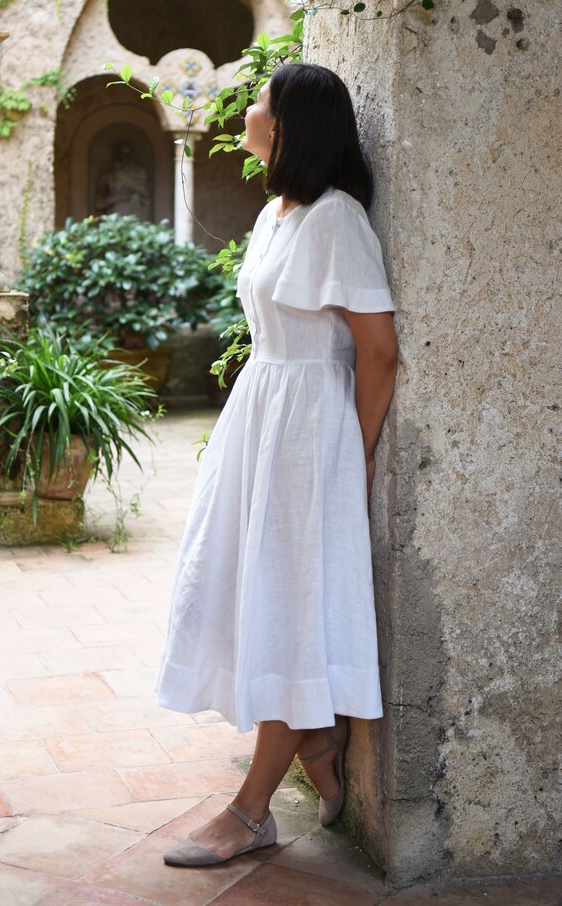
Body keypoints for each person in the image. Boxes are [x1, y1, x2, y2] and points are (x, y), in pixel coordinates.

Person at [156, 62, 399, 867]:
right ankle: (318, 738)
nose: (249, 108)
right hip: (262, 417)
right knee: (252, 592)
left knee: (294, 605)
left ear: (291, 124)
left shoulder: (337, 220)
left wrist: (353, 457)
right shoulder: (278, 213)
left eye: (260, 100)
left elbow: (378, 350)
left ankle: (251, 811)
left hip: (310, 434)